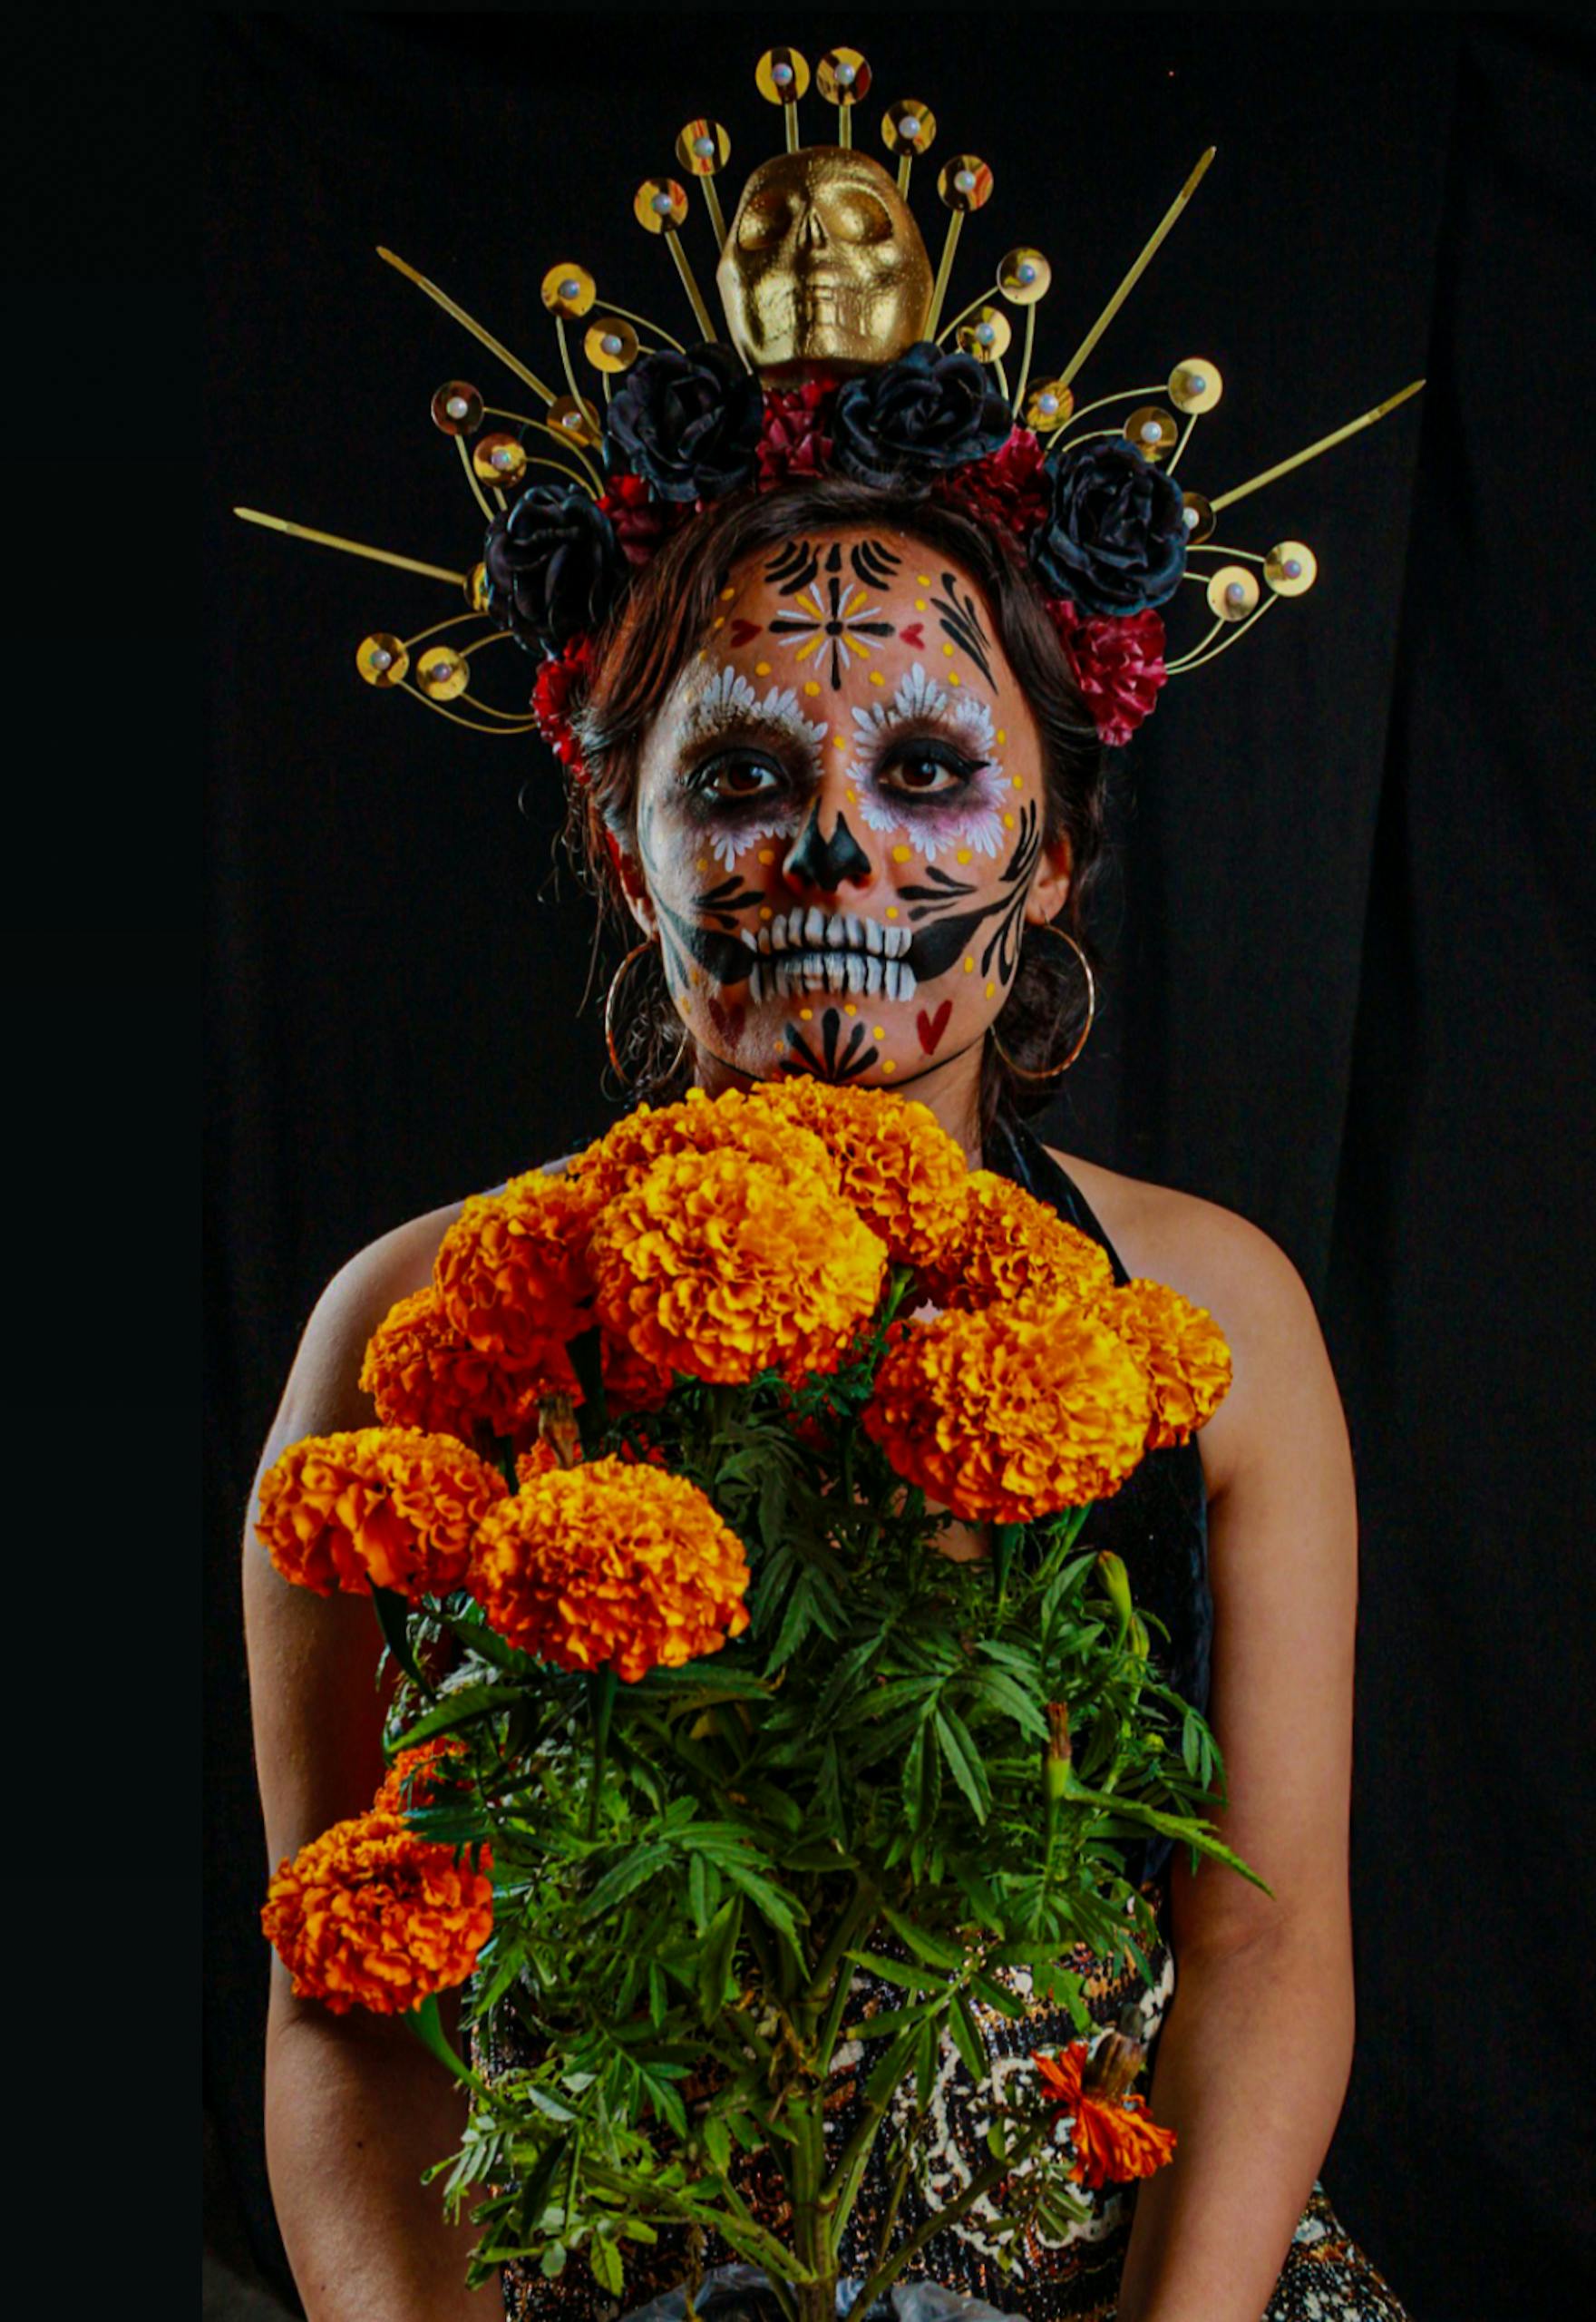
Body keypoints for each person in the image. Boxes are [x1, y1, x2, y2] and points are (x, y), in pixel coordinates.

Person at [241, 57, 1418, 2322]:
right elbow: (343, 1998)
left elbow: (1267, 1935)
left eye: (928, 770)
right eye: (747, 777)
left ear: (1052, 851)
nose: (839, 856)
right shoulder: (401, 1335)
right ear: (631, 844)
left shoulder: (1218, 1311)